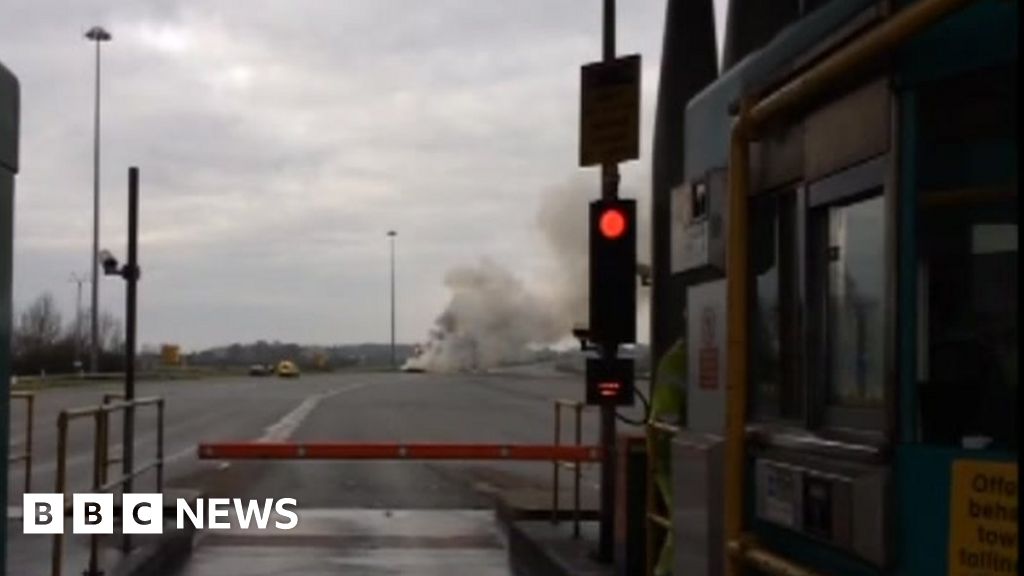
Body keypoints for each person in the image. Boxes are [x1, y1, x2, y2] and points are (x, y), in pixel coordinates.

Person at [648, 332, 688, 576]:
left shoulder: (678, 358)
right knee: (683, 524)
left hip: (675, 452)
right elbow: (666, 417)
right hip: (671, 456)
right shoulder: (678, 361)